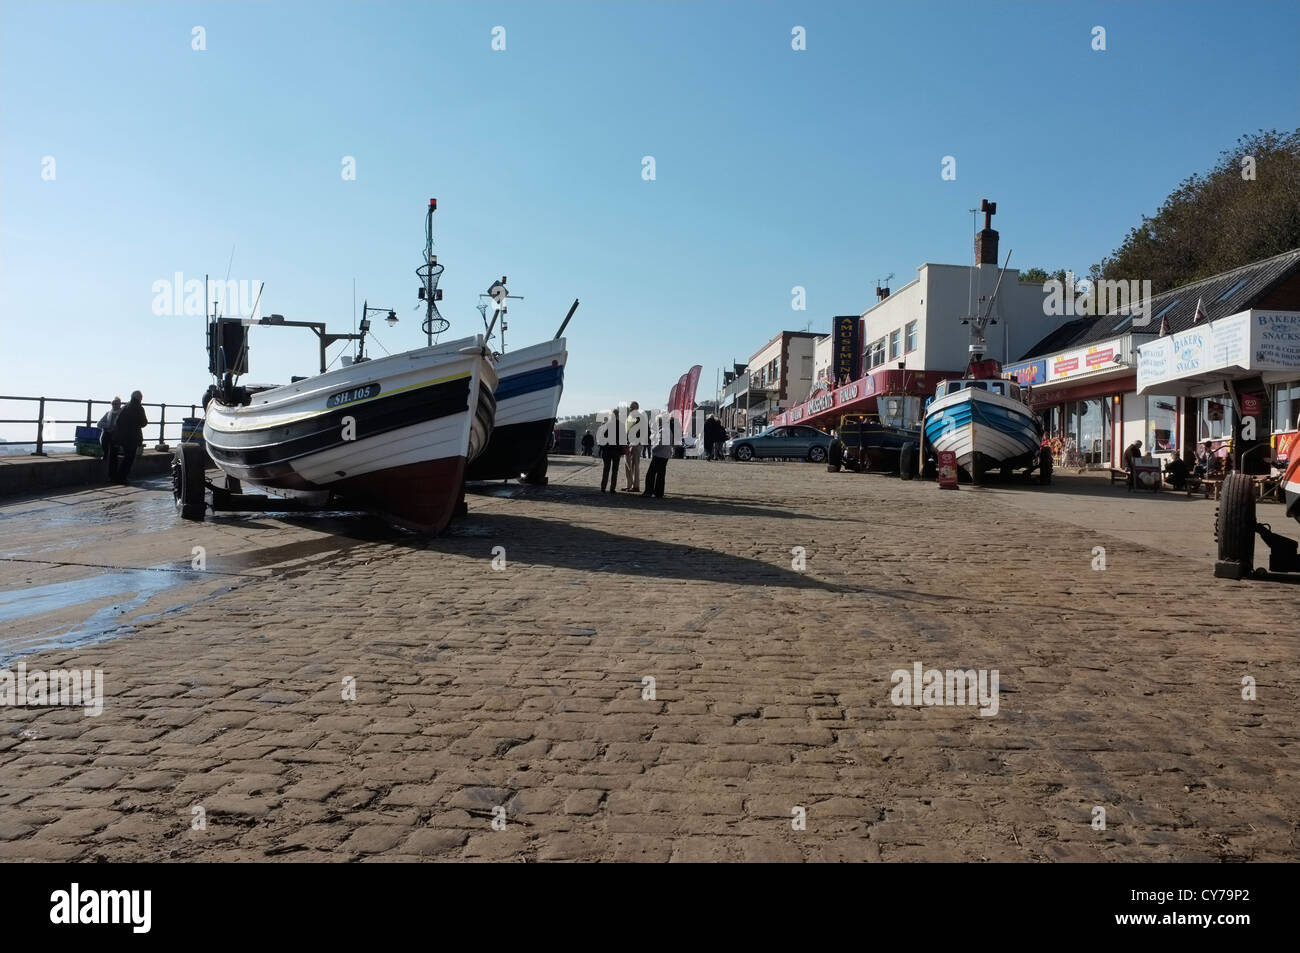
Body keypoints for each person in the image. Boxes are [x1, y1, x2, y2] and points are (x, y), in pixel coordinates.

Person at [114, 391, 149, 484]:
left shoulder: (125, 407)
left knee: (126, 457)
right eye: (141, 397)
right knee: (129, 458)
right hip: (133, 437)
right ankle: (122, 477)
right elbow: (144, 423)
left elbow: (118, 422)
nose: (141, 399)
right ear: (139, 398)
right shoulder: (139, 408)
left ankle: (120, 477)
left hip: (123, 437)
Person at [643, 412, 678, 498]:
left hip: (659, 455)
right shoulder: (667, 429)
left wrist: (653, 449)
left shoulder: (663, 430)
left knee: (651, 474)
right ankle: (659, 492)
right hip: (665, 455)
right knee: (661, 474)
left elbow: (661, 443)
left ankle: (648, 491)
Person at [97, 397, 123, 482]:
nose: (114, 406)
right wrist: (108, 426)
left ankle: (113, 476)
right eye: (113, 404)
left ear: (120, 404)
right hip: (108, 433)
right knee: (104, 436)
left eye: (116, 404)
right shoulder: (108, 413)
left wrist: (115, 428)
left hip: (117, 435)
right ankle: (105, 453)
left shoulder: (122, 414)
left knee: (113, 456)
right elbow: (99, 423)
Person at [623, 401, 642, 492]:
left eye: (633, 407)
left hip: (636, 444)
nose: (631, 409)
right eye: (630, 407)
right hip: (627, 444)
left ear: (637, 408)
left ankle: (636, 486)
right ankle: (629, 484)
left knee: (635, 465)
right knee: (627, 465)